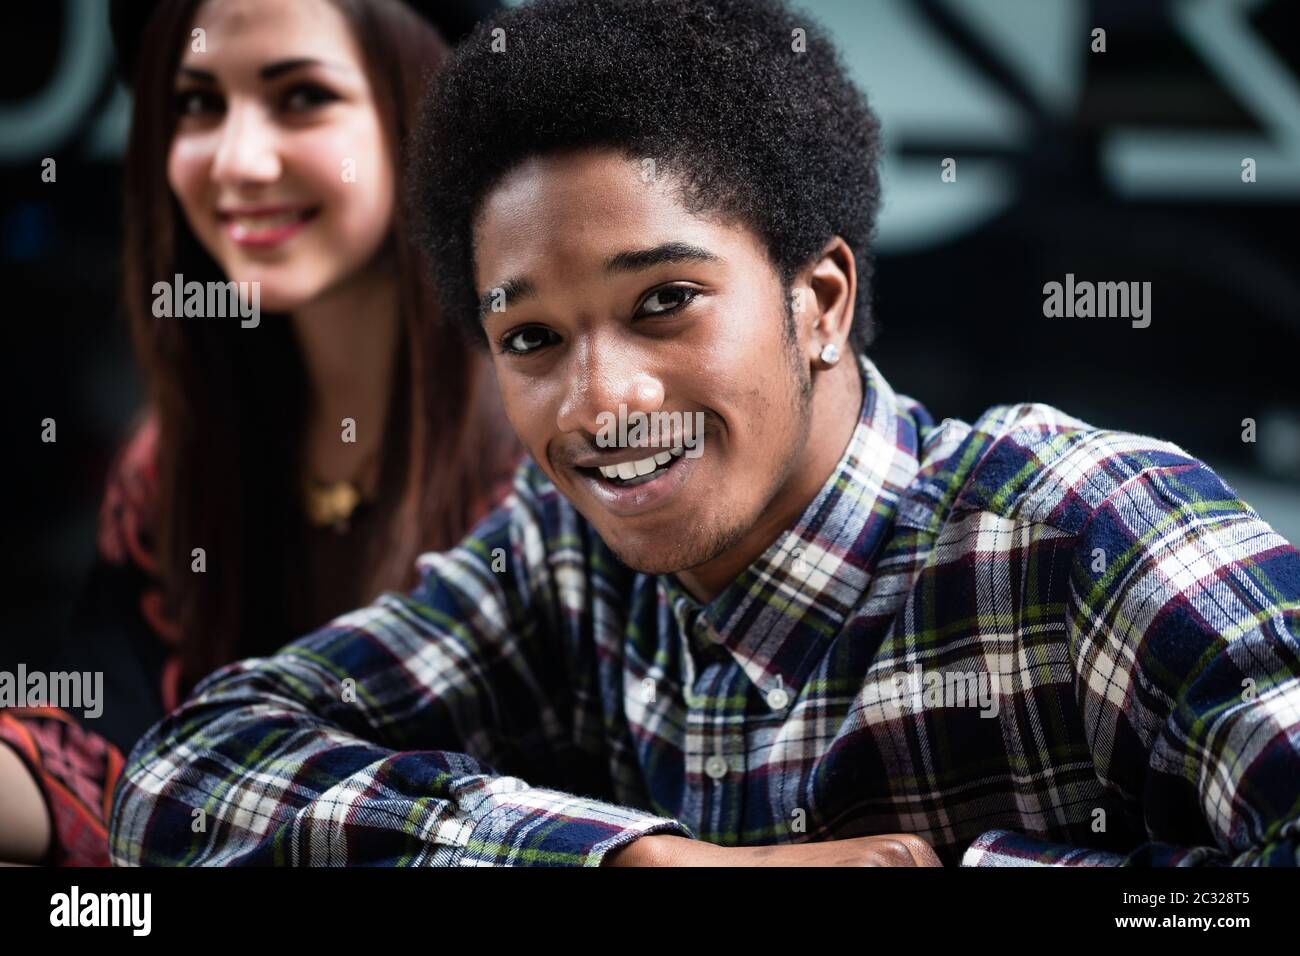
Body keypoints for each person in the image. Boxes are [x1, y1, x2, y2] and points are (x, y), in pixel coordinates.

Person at [109, 0, 1300, 867]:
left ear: (820, 299)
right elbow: (187, 772)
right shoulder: (563, 559)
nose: (599, 403)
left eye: (663, 302)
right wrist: (637, 861)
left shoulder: (1086, 525)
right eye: (531, 340)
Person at [0, 0, 518, 866]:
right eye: (197, 104)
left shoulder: (555, 448)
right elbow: (114, 748)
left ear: (430, 109)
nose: (237, 161)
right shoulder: (173, 458)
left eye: (302, 96)